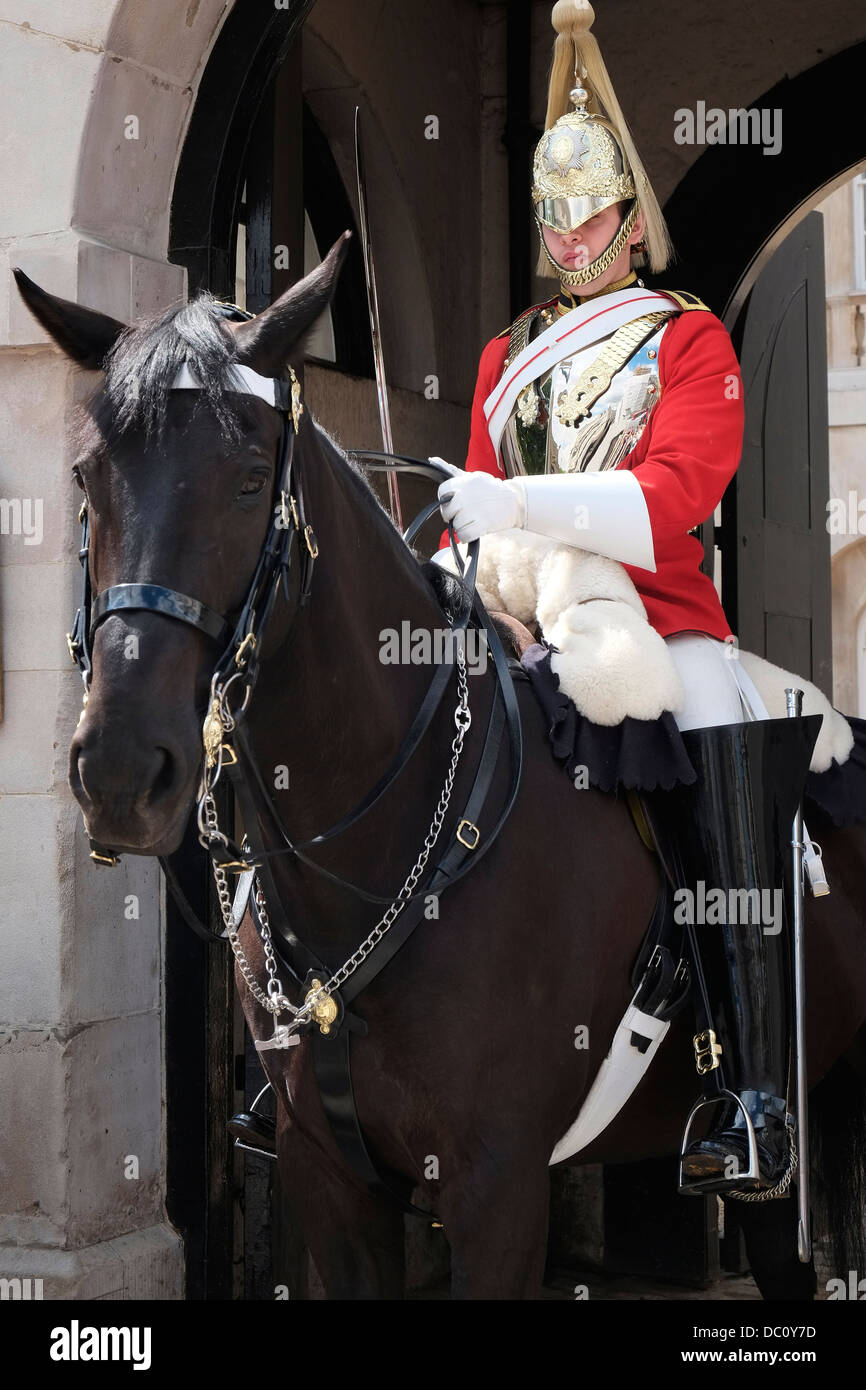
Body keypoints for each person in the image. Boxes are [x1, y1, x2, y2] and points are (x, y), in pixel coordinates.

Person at [432, 0, 822, 1195]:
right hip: (523, 620)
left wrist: (521, 510)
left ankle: (748, 1091)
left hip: (662, 622)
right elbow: (476, 504)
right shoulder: (505, 357)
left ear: (628, 210)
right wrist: (465, 556)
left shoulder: (689, 343)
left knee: (717, 743)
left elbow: (667, 501)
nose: (564, 229)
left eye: (585, 205)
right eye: (549, 208)